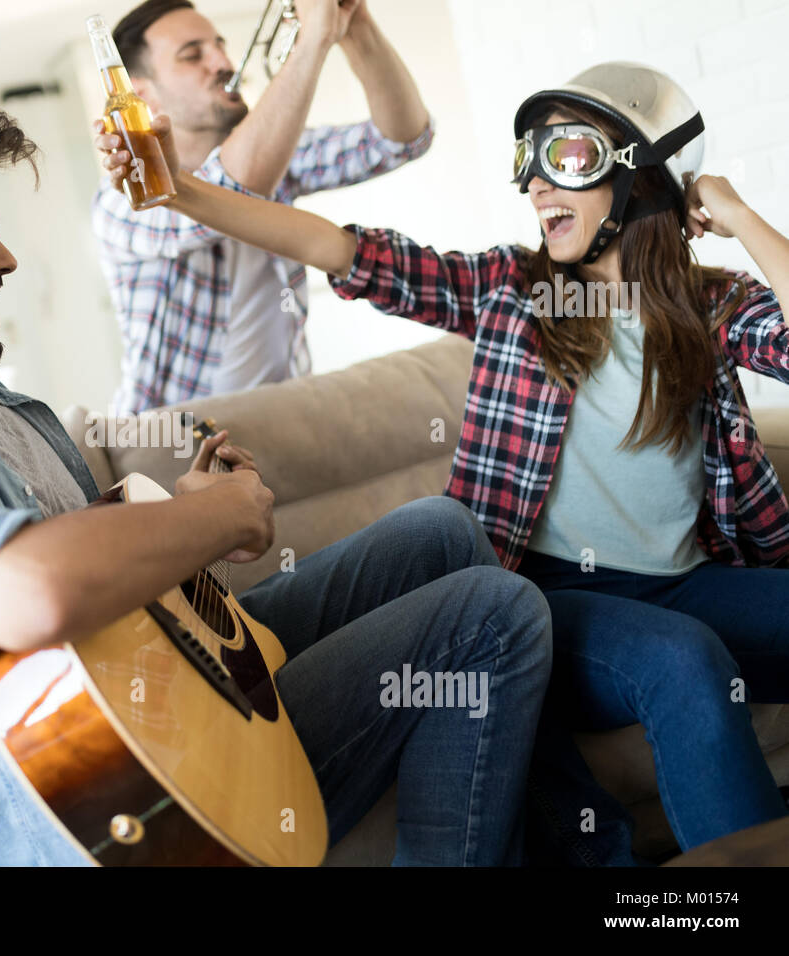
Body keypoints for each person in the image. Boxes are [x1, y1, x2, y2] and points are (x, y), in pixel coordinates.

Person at [0, 75, 552, 867]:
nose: (4, 258)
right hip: (129, 801)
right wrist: (224, 516)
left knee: (441, 531)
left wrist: (182, 515)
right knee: (492, 614)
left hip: (168, 681)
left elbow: (100, 600)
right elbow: (25, 592)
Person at [94, 61, 789, 861]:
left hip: (688, 578)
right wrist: (179, 191)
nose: (532, 185)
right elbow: (340, 249)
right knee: (683, 662)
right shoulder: (509, 291)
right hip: (550, 593)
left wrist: (737, 210)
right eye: (527, 161)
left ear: (646, 177)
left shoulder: (711, 306)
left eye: (562, 159)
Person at [93, 0, 432, 413]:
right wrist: (312, 42)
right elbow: (227, 193)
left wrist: (355, 24)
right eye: (193, 55)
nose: (222, 61)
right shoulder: (124, 195)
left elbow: (402, 139)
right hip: (170, 441)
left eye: (218, 45)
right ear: (140, 93)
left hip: (284, 416)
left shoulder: (277, 156)